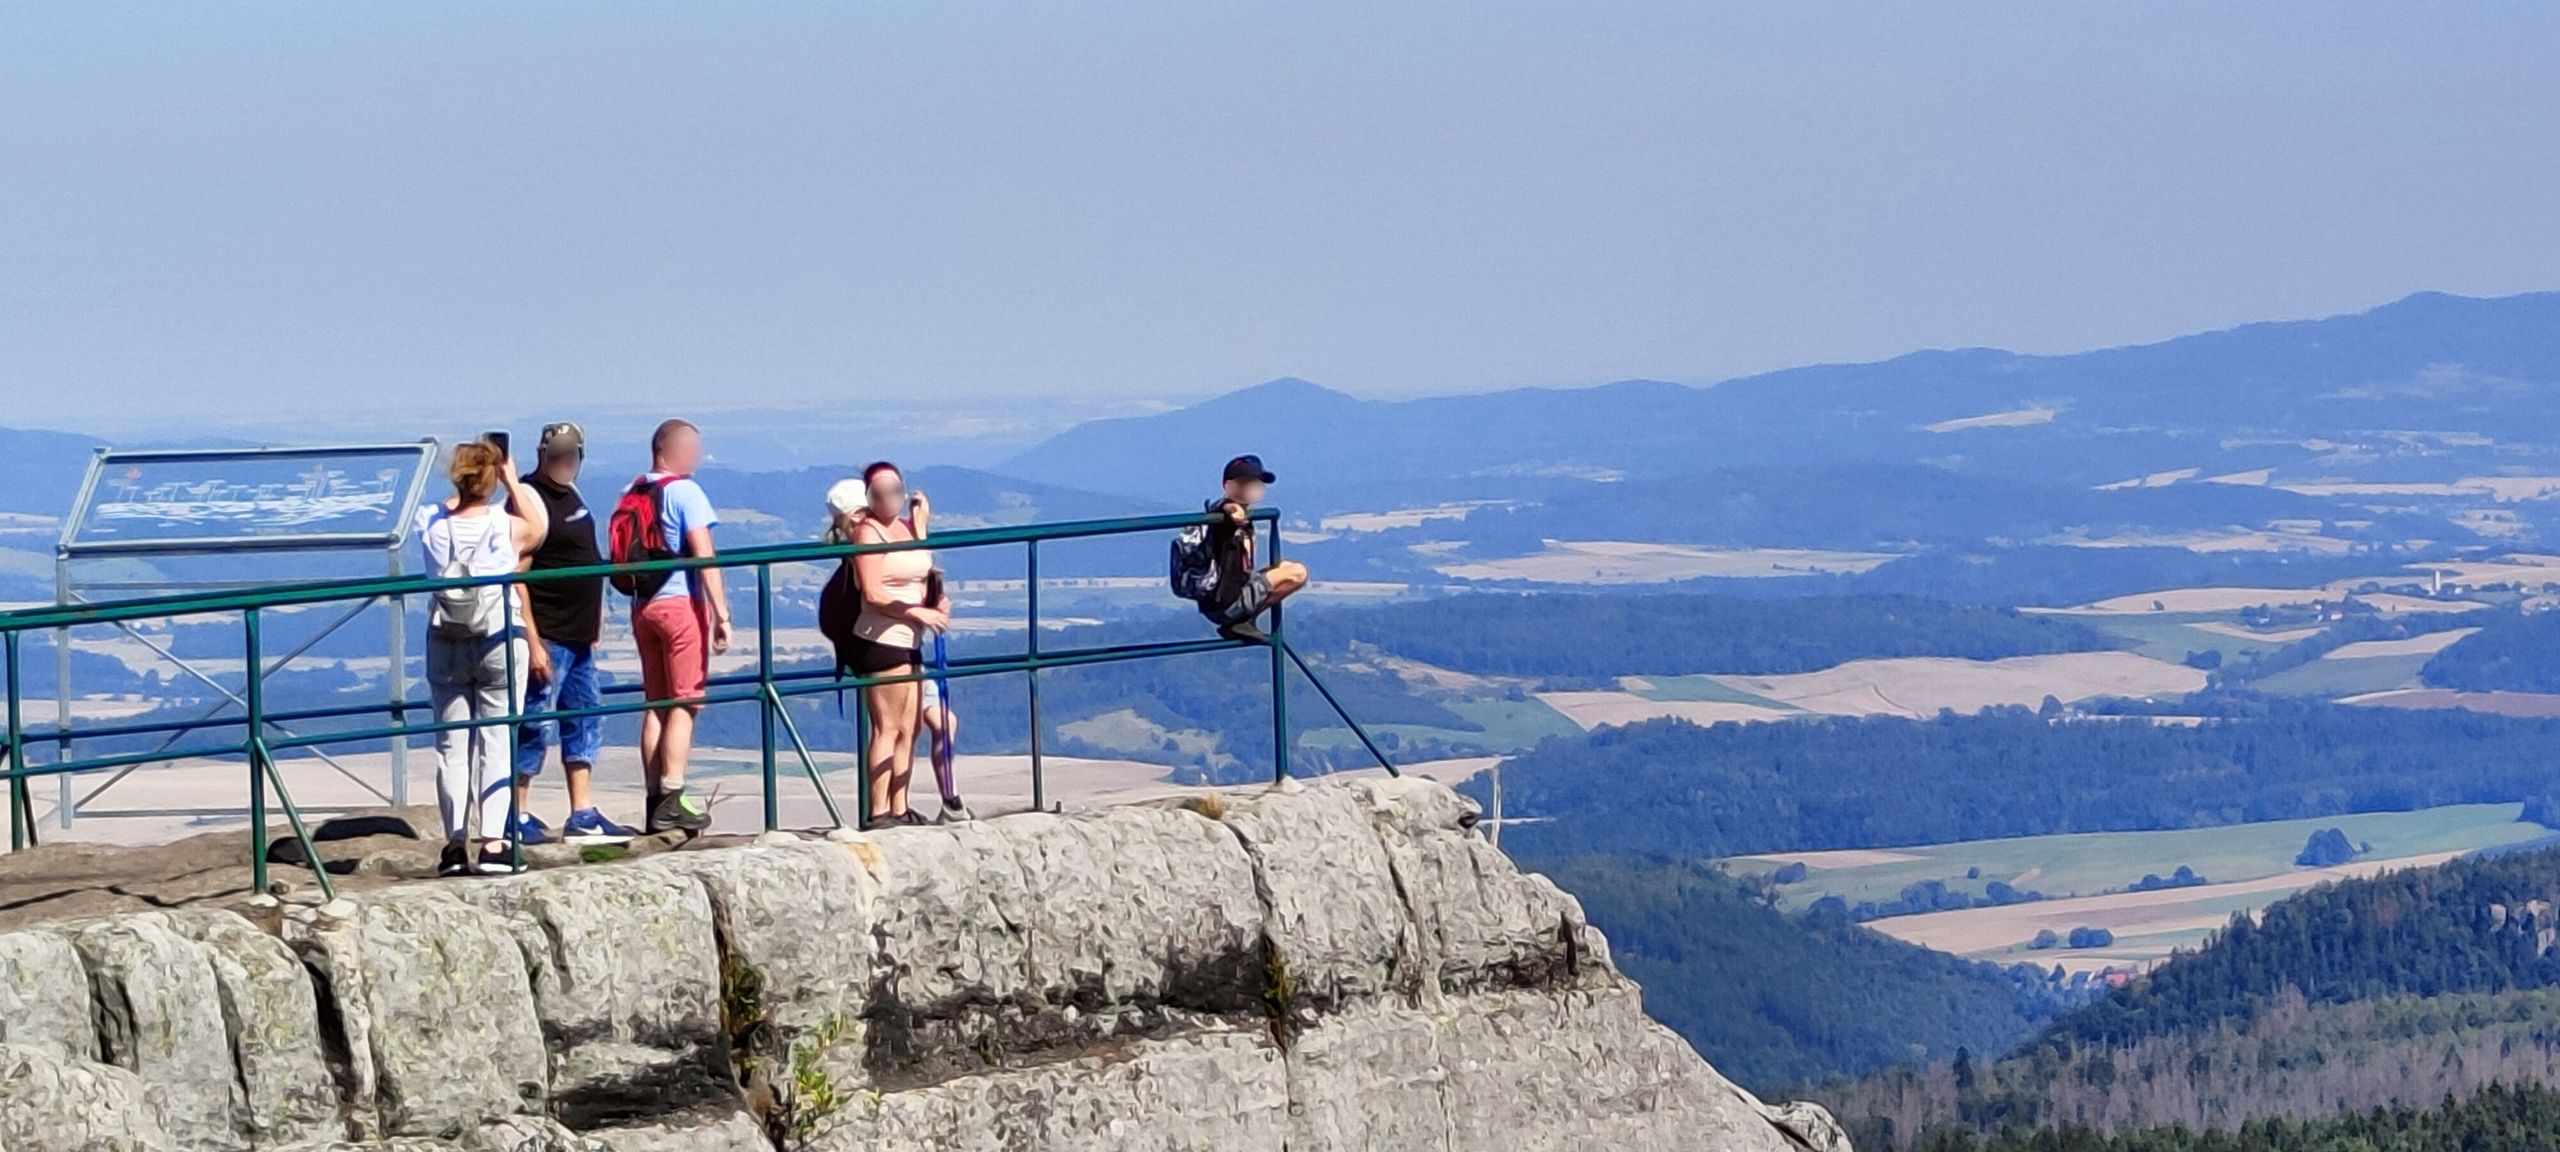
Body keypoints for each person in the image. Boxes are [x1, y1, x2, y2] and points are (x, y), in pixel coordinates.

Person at [416, 437, 548, 876]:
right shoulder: (502, 523)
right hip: (498, 636)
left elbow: (429, 516)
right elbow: (538, 528)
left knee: (451, 746)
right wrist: (512, 480)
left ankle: (455, 845)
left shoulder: (431, 521)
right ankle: (494, 843)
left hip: (445, 638)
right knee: (496, 739)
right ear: (493, 478)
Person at [509, 422, 635, 844]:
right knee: (534, 723)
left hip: (578, 635)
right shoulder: (528, 499)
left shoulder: (572, 494)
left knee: (583, 718)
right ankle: (516, 813)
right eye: (558, 455)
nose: (566, 462)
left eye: (573, 455)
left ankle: (582, 812)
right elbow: (516, 575)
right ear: (541, 454)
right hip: (549, 634)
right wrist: (532, 639)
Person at [830, 462, 948, 828]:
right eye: (880, 494)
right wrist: (917, 613)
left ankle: (901, 806)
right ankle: (879, 811)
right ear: (868, 497)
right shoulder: (868, 534)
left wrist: (922, 524)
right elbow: (874, 593)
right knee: (888, 727)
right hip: (881, 639)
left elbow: (920, 568)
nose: (889, 499)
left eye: (895, 491)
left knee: (910, 728)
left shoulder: (904, 528)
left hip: (909, 638)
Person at [628, 419, 727, 834]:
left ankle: (654, 798)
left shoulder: (634, 490)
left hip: (643, 605)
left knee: (656, 702)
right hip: (679, 604)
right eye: (694, 448)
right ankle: (673, 796)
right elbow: (704, 554)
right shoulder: (685, 491)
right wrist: (720, 613)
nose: (699, 457)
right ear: (672, 449)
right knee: (685, 702)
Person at [1194, 454, 1308, 642]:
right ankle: (1242, 620)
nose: (1254, 487)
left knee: (1285, 566)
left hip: (1222, 598)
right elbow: (1225, 511)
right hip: (1226, 604)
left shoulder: (1242, 516)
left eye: (1257, 483)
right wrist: (1232, 510)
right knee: (1298, 573)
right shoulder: (1223, 516)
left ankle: (1242, 619)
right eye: (1248, 482)